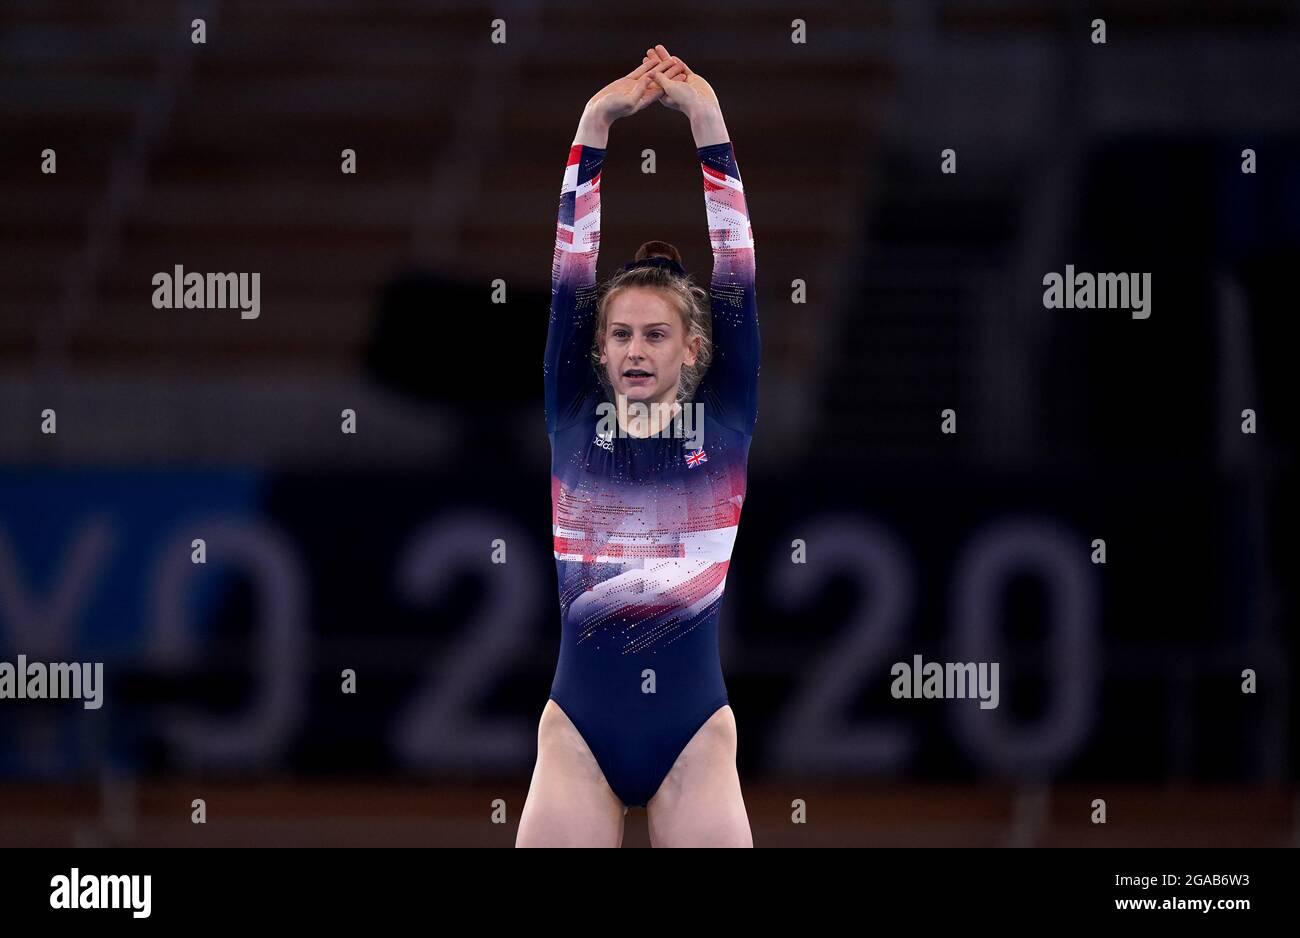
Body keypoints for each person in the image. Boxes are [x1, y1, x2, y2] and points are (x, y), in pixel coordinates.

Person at [516, 46, 758, 847]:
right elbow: (570, 272)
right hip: (578, 733)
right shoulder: (572, 413)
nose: (634, 350)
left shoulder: (725, 419)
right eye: (619, 334)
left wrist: (708, 123)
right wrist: (594, 125)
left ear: (692, 348)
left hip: (694, 736)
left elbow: (736, 269)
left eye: (656, 335)